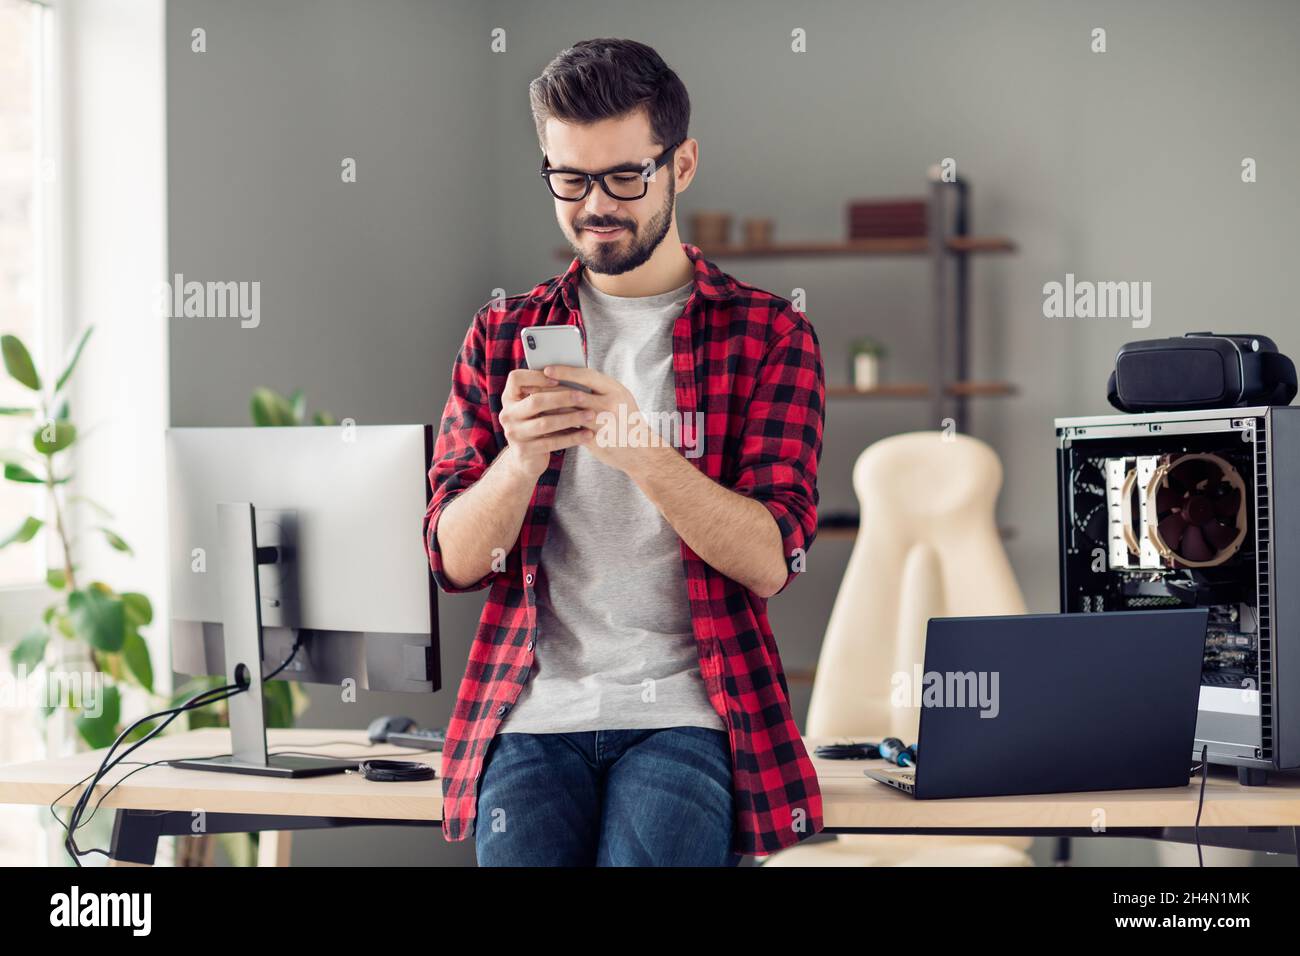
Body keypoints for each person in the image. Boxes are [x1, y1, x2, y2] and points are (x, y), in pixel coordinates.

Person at [424, 37, 826, 866]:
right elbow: (453, 562)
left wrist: (643, 452)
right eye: (570, 179)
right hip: (532, 716)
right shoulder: (500, 334)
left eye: (624, 178)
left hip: (688, 715)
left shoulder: (770, 335)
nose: (596, 205)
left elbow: (769, 561)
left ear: (682, 165)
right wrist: (520, 460)